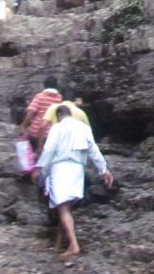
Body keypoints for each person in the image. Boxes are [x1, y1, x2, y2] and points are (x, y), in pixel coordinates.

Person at [35, 105, 114, 259]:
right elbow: (93, 150)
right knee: (65, 208)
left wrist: (40, 170)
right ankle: (59, 244)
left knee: (63, 208)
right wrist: (104, 169)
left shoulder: (57, 128)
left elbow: (49, 150)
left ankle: (73, 244)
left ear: (58, 116)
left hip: (61, 168)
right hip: (78, 170)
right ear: (70, 114)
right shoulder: (83, 128)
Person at [19, 76, 62, 153]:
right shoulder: (59, 98)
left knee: (31, 153)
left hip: (36, 132)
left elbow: (31, 112)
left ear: (44, 85)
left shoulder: (40, 96)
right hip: (51, 134)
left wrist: (23, 125)